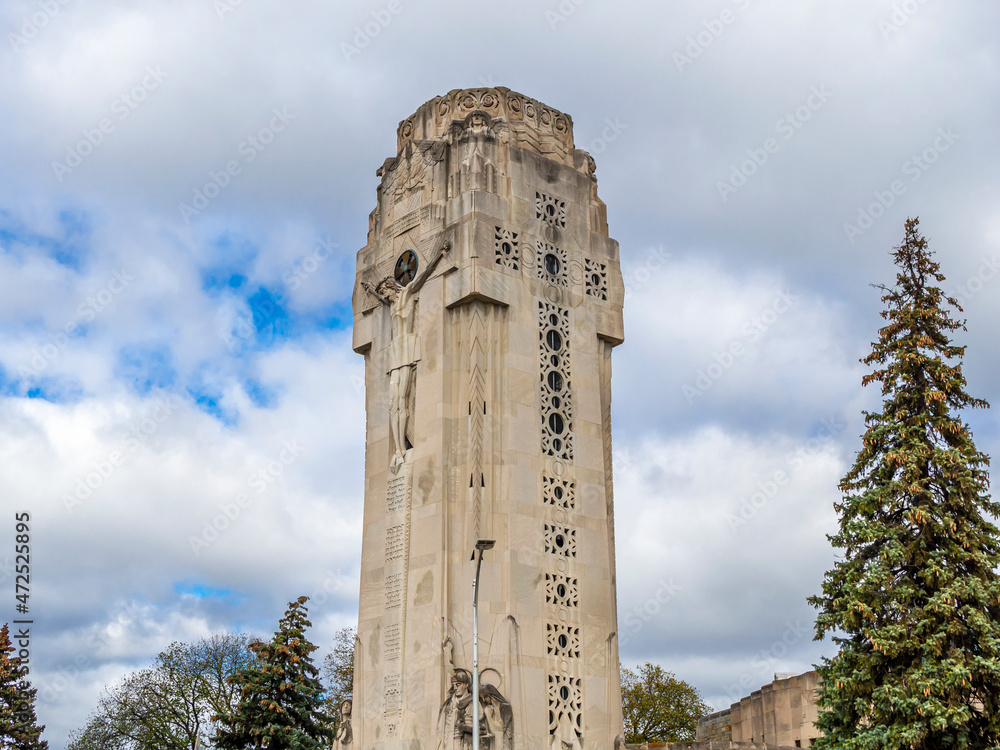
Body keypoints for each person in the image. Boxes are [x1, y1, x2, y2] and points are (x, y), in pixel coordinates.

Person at [362, 242, 450, 469]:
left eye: (385, 292)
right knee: (393, 401)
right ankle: (399, 448)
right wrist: (370, 289)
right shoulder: (390, 304)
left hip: (410, 346)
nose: (385, 297)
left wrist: (439, 254)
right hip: (396, 350)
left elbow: (426, 274)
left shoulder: (408, 293)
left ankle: (405, 446)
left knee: (403, 397)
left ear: (392, 288)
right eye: (382, 294)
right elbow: (380, 300)